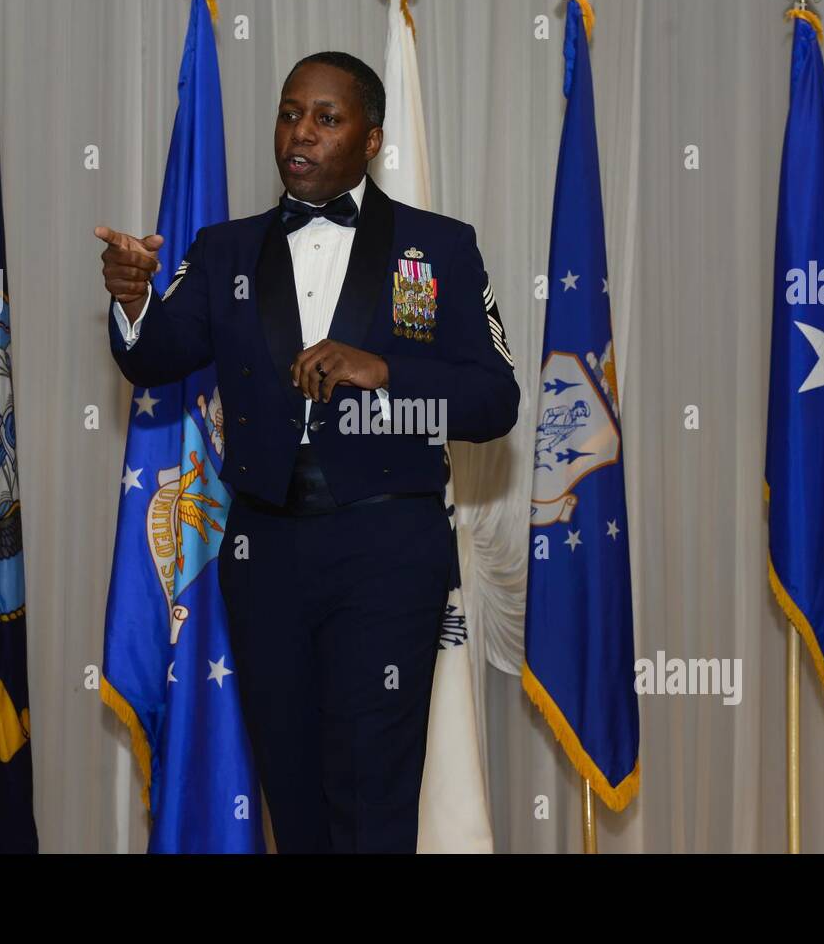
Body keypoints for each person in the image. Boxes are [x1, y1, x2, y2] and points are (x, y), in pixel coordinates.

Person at [97, 51, 518, 853]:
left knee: (371, 795)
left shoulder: (438, 248)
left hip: (387, 553)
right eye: (292, 114)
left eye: (327, 118)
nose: (301, 133)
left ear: (370, 140)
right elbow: (154, 357)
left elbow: (495, 401)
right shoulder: (224, 250)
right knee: (292, 794)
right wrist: (134, 299)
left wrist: (384, 371)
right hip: (265, 553)